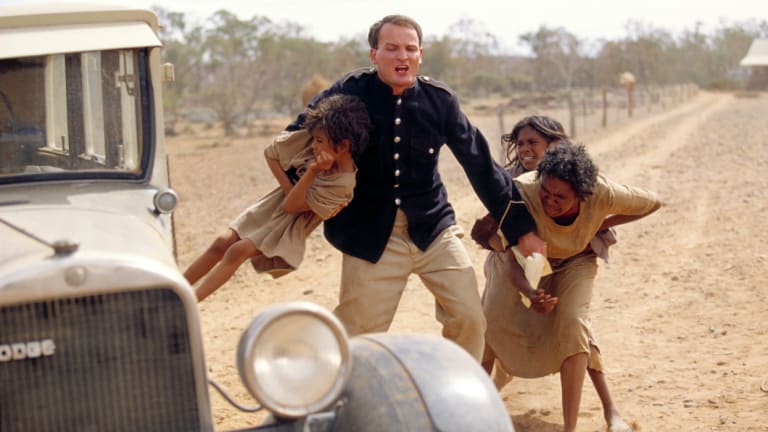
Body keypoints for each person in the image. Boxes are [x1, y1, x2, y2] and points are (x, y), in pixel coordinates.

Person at [284, 14, 544, 361]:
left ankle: (457, 398)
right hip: (370, 235)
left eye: (409, 49)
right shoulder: (349, 91)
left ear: (420, 54)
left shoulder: (441, 101)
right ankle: (331, 398)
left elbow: (480, 165)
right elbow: (292, 140)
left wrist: (521, 228)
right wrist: (304, 195)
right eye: (391, 48)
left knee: (469, 317)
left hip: (433, 228)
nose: (401, 57)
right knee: (356, 334)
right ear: (374, 54)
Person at [476, 142, 661, 432]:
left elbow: (653, 202)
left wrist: (599, 224)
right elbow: (510, 254)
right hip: (526, 262)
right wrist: (528, 291)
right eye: (546, 193)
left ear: (582, 195)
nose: (550, 201)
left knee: (574, 324)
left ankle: (570, 428)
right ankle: (474, 414)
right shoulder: (522, 192)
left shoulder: (602, 193)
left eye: (561, 197)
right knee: (488, 320)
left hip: (577, 261)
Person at [185, 94, 371, 301]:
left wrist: (311, 172)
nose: (314, 146)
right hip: (271, 206)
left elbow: (291, 206)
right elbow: (271, 153)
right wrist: (288, 186)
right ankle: (174, 289)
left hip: (287, 227)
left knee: (237, 251)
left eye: (319, 141)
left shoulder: (342, 185)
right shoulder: (314, 141)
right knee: (221, 243)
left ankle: (187, 303)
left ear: (343, 146)